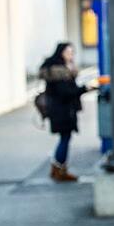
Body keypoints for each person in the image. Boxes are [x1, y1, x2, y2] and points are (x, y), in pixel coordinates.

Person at [40, 42, 94, 182]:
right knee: (65, 138)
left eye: (72, 52)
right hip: (62, 110)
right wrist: (84, 89)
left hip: (62, 109)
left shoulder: (62, 69)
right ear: (61, 53)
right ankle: (59, 169)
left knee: (65, 138)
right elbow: (65, 92)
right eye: (69, 52)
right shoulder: (59, 71)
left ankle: (58, 168)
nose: (71, 55)